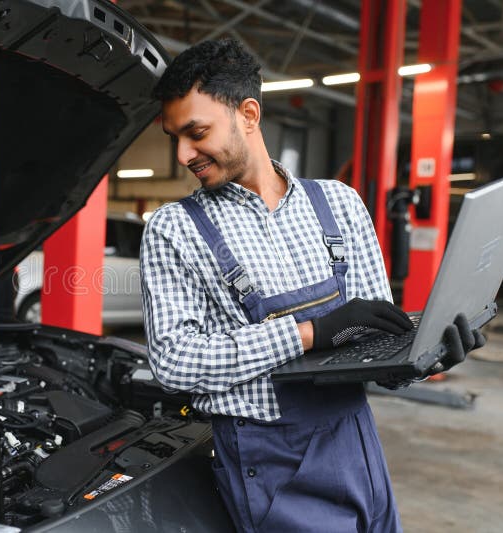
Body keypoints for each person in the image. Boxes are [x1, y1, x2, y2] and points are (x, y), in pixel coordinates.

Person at [139, 38, 484, 533]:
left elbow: (377, 348)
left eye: (196, 132)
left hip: (354, 437)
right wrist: (310, 333)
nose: (183, 153)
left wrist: (424, 358)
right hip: (268, 453)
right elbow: (175, 361)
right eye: (175, 137)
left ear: (249, 114)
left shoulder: (339, 204)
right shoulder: (174, 228)